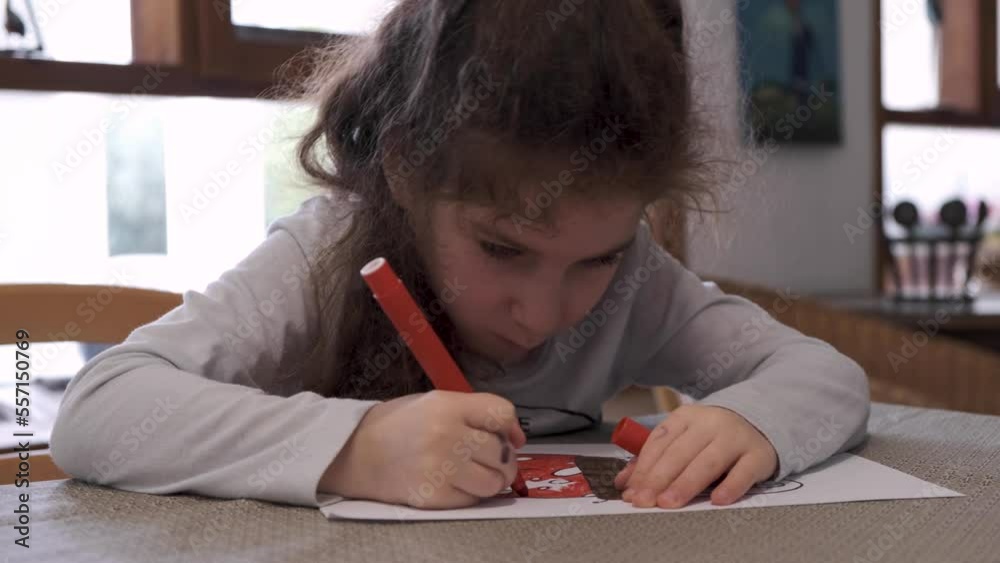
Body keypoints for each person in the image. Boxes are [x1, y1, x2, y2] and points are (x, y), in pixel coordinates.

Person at [50, 0, 869, 511]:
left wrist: (753, 419)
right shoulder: (327, 254)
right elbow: (99, 414)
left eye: (597, 259)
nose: (548, 314)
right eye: (504, 248)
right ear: (406, 170)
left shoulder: (637, 281)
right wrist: (358, 447)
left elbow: (825, 375)